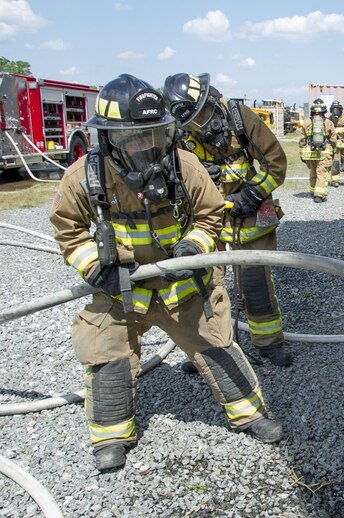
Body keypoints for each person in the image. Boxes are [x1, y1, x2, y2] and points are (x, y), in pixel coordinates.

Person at [49, 74, 284, 472]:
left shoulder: (184, 165)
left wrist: (193, 247)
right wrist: (97, 268)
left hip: (182, 286)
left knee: (216, 343)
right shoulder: (85, 177)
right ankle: (111, 435)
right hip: (121, 290)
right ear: (109, 139)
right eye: (134, 139)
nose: (147, 147)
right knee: (107, 354)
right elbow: (68, 229)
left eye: (155, 135)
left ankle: (249, 414)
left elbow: (211, 214)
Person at [163, 73, 292, 367]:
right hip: (208, 218)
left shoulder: (240, 117)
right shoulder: (181, 134)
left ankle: (269, 344)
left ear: (211, 100)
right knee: (206, 284)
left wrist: (253, 193)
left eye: (204, 113)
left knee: (255, 280)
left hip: (250, 211)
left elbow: (276, 163)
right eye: (194, 120)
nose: (202, 123)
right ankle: (210, 349)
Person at [299, 98, 337, 202]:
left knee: (313, 172)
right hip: (324, 152)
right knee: (321, 173)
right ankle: (319, 195)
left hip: (310, 153)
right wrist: (333, 149)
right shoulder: (328, 122)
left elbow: (302, 139)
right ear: (324, 111)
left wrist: (301, 152)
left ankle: (313, 191)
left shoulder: (306, 122)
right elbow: (333, 139)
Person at [328, 100, 344, 187]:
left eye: (337, 109)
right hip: (335, 144)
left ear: (341, 110)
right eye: (334, 110)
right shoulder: (330, 119)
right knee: (335, 162)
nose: (336, 112)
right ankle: (335, 180)